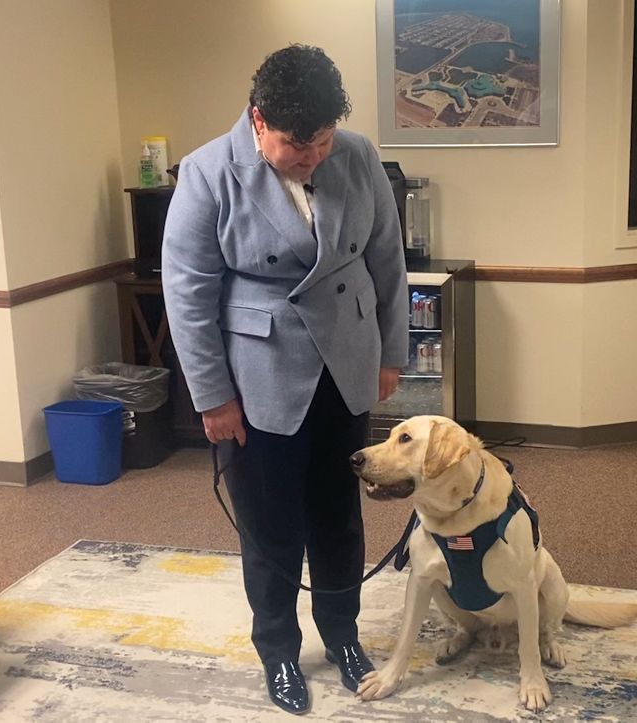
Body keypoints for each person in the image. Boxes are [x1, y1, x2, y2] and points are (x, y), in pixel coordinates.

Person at [161, 45, 408, 715]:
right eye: (300, 146)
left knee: (339, 514)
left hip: (348, 362)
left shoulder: (355, 157)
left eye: (323, 142)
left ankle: (343, 633)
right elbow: (187, 292)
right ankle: (277, 650)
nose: (314, 158)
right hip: (261, 369)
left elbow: (388, 257)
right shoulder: (211, 172)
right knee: (271, 525)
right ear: (259, 120)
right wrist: (211, 396)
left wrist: (391, 353)